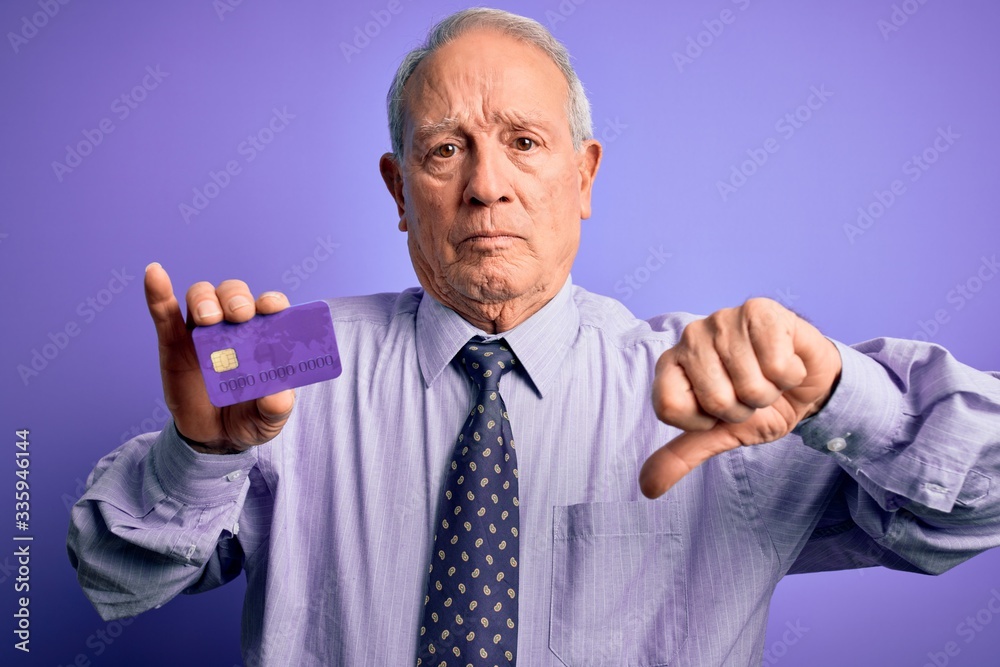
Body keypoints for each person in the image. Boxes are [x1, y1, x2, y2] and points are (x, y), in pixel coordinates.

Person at [67, 7, 1000, 666]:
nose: (486, 186)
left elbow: (980, 505)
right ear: (399, 191)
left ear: (584, 175)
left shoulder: (712, 391)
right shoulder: (288, 358)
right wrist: (197, 456)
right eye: (445, 150)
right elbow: (111, 579)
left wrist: (841, 393)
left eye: (523, 141)